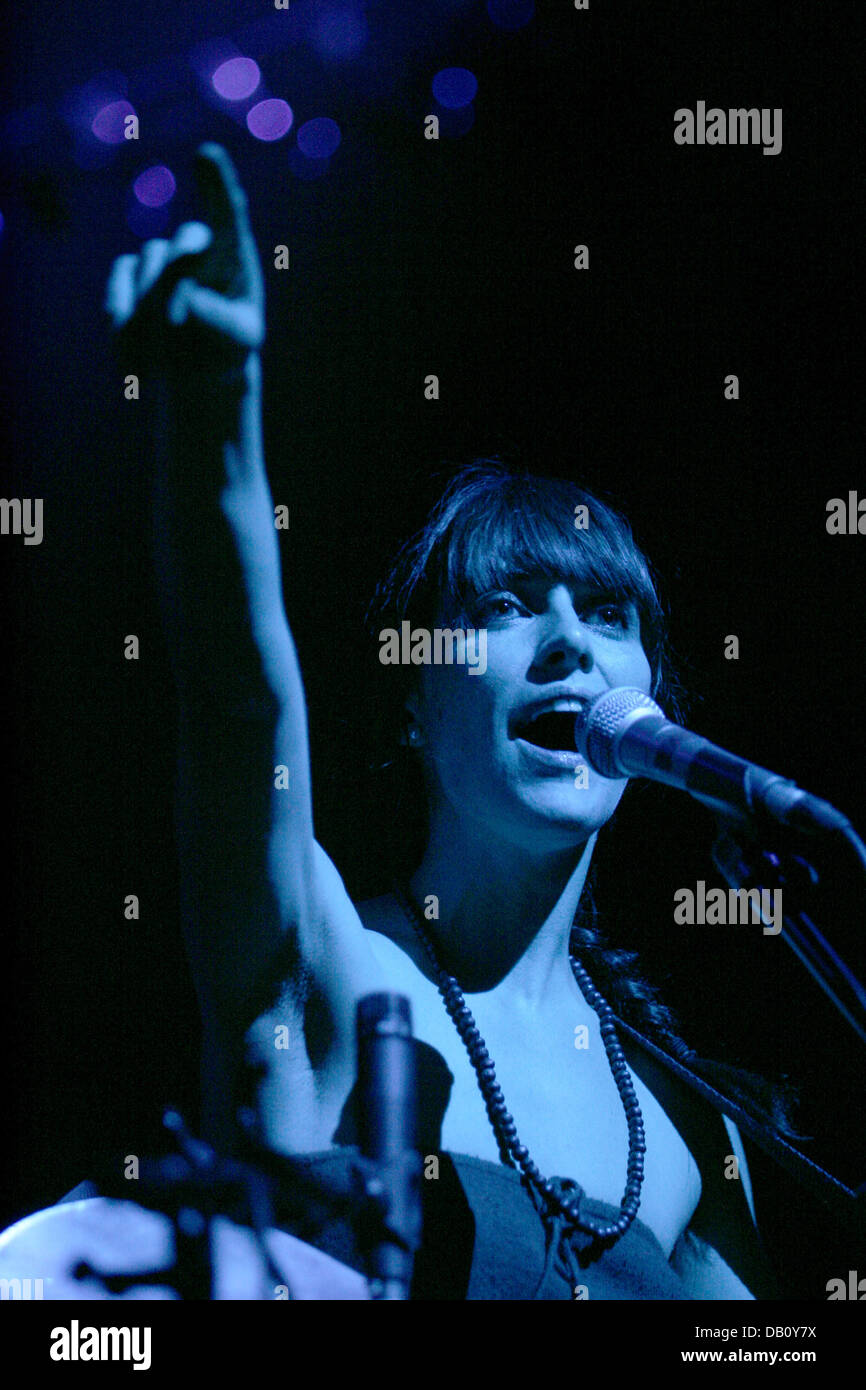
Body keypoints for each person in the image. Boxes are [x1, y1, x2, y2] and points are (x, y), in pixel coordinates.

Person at [99, 143, 796, 1300]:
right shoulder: (329, 970)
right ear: (415, 707)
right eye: (507, 607)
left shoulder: (686, 1117)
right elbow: (234, 700)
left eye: (608, 612)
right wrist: (213, 408)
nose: (567, 641)